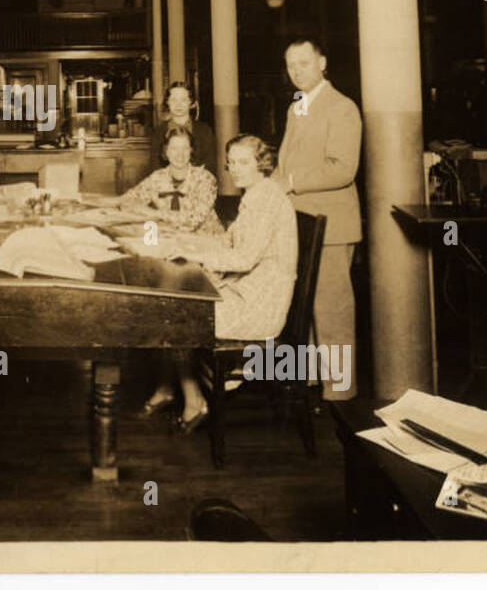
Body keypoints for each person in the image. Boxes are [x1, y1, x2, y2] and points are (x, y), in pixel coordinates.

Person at [142, 134, 298, 432]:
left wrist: (192, 252)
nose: (235, 169)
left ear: (261, 164)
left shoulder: (265, 200)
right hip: (246, 293)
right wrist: (186, 243)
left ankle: (193, 400)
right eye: (231, 162)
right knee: (175, 305)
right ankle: (178, 390)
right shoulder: (256, 195)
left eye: (243, 162)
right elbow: (227, 241)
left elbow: (243, 259)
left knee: (175, 316)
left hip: (259, 307)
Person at [273, 38, 362, 401]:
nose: (296, 71)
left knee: (333, 311)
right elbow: (288, 162)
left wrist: (290, 182)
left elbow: (343, 169)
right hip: (303, 222)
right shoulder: (298, 108)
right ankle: (314, 380)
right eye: (291, 65)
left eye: (304, 63)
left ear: (322, 62)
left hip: (333, 226)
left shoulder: (342, 108)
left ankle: (341, 393)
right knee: (307, 306)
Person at [121, 125, 221, 235]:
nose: (180, 155)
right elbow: (128, 201)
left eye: (185, 148)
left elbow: (192, 221)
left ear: (191, 151)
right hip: (172, 240)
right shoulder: (157, 177)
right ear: (166, 152)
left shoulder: (205, 179)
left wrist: (155, 214)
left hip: (207, 241)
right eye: (174, 149)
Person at [149, 81, 218, 176]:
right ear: (167, 102)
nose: (178, 105)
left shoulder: (204, 131)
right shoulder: (159, 132)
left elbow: (210, 165)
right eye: (174, 100)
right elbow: (155, 167)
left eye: (183, 100)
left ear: (191, 103)